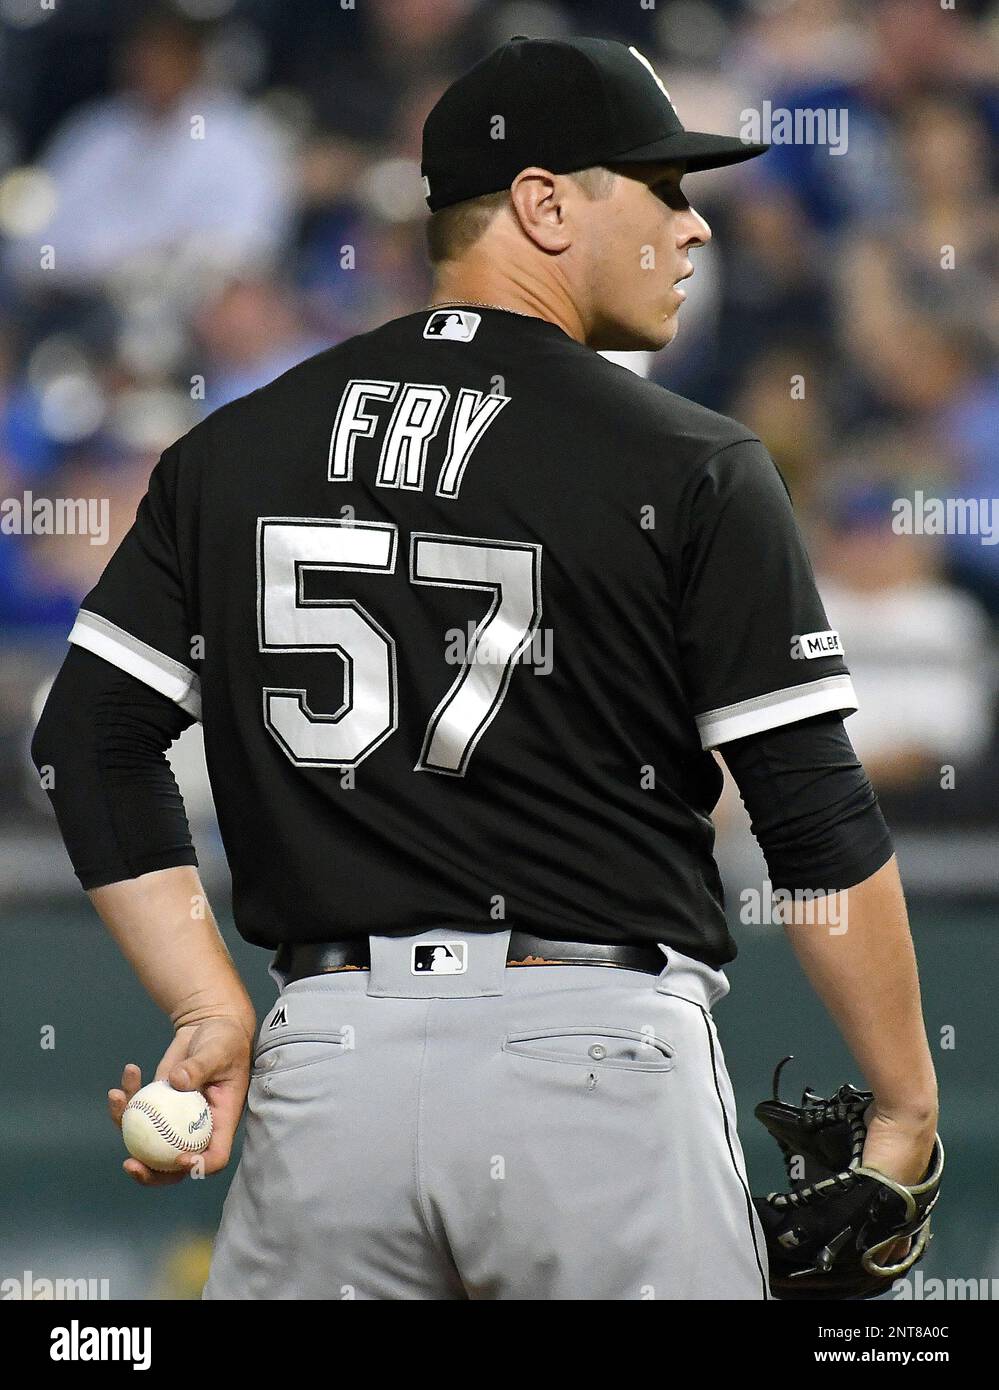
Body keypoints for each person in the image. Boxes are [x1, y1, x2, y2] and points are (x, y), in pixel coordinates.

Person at [31, 35, 938, 1301]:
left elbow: (86, 740)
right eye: (663, 188)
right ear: (545, 202)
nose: (695, 229)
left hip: (326, 1072)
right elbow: (814, 814)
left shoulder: (232, 449)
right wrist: (903, 1107)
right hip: (596, 1069)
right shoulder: (688, 458)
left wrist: (207, 1007)